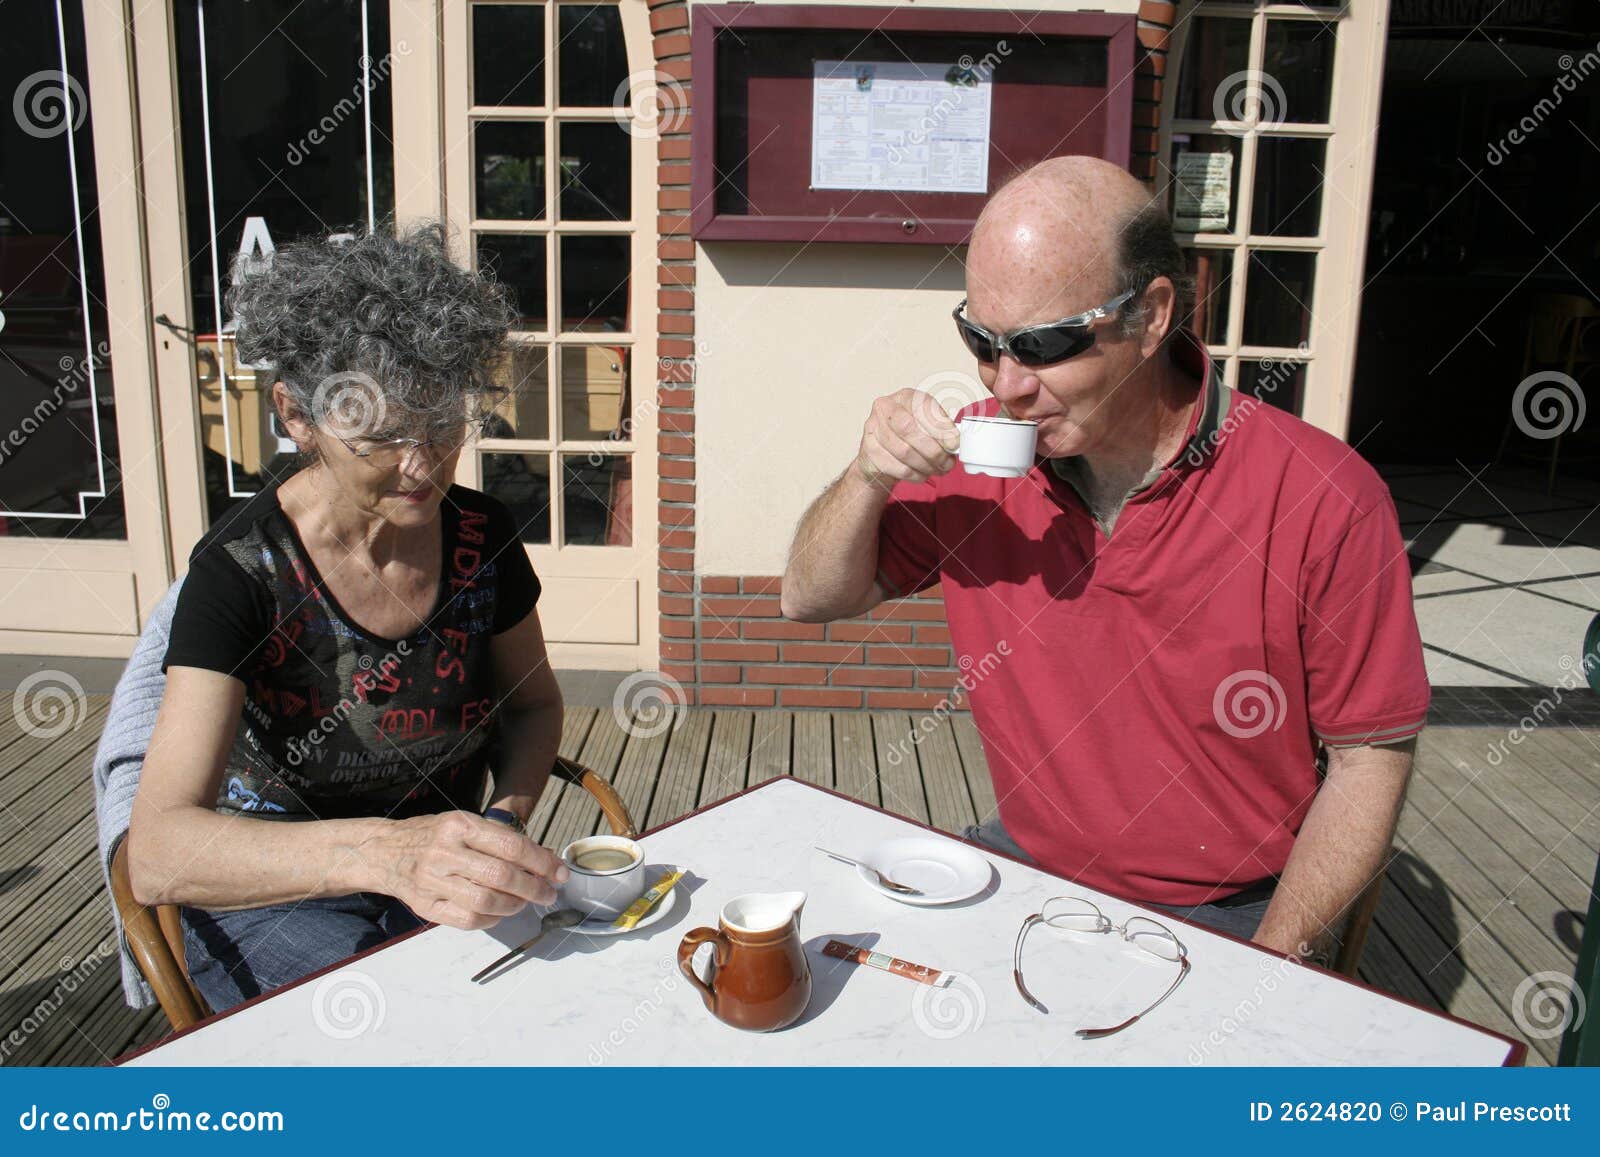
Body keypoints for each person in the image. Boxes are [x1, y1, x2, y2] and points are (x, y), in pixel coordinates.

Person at [781, 157, 1429, 961]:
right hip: (1023, 863)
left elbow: (1371, 758)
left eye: (1045, 344)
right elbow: (807, 598)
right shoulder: (979, 462)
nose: (1006, 382)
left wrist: (1276, 957)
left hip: (1229, 908)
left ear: (1151, 315)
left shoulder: (1324, 496)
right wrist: (868, 473)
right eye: (981, 340)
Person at [127, 222, 569, 1011]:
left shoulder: (482, 535)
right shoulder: (240, 573)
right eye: (385, 435)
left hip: (439, 871)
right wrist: (385, 851)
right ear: (297, 415)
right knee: (397, 1032)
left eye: (441, 425)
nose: (421, 465)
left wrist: (503, 818)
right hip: (277, 890)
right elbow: (157, 853)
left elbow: (531, 704)